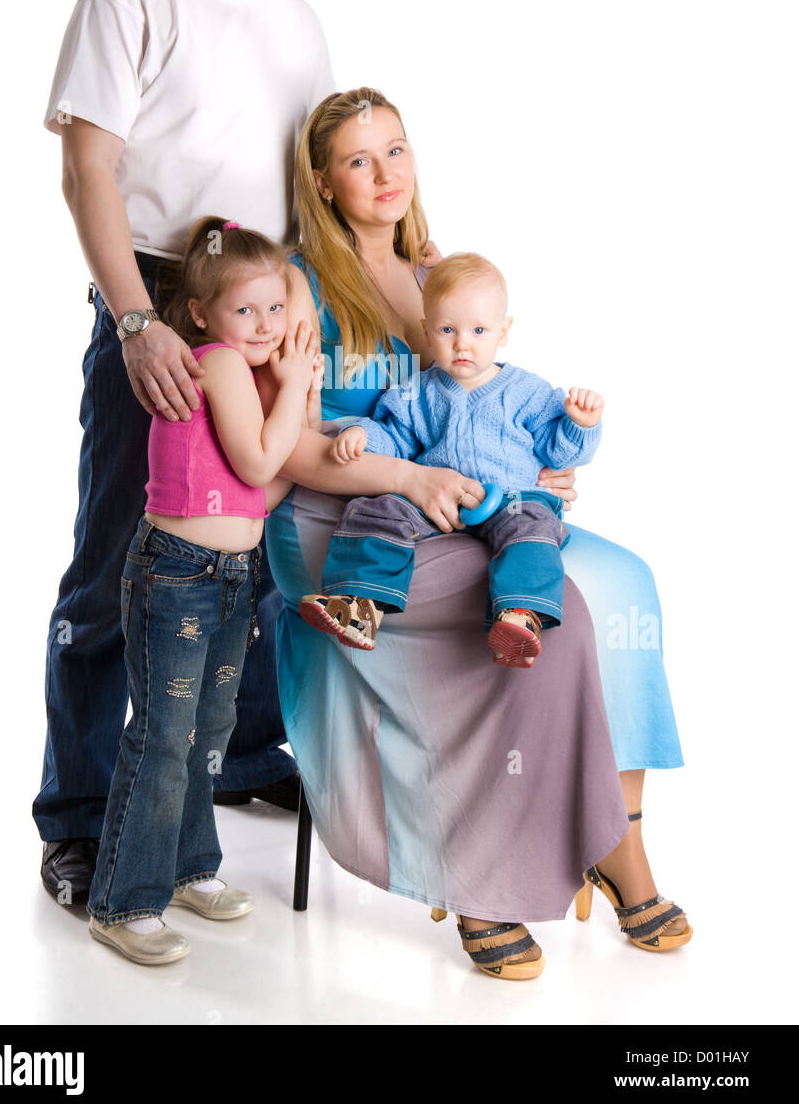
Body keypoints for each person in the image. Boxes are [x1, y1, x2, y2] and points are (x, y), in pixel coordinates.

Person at [262, 87, 692, 978]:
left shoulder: (434, 275)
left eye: (397, 150)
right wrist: (408, 476)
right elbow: (288, 451)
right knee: (548, 610)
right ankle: (482, 880)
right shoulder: (301, 284)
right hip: (347, 522)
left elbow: (483, 402)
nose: (384, 174)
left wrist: (542, 464)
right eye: (357, 159)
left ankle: (616, 838)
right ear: (322, 181)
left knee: (625, 586)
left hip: (459, 507)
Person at [35, 0, 335, 907]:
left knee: (248, 540)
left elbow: (299, 180)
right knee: (122, 555)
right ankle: (76, 816)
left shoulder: (296, 19)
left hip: (264, 300)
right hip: (160, 298)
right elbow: (89, 171)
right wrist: (134, 323)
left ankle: (243, 757)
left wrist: (300, 293)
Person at [88, 218, 318, 964]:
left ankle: (189, 867)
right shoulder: (216, 364)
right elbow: (259, 463)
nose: (264, 326)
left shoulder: (251, 382)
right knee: (162, 736)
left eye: (276, 309)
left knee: (208, 733)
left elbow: (270, 487)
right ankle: (123, 902)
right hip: (178, 574)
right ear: (200, 315)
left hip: (231, 577)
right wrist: (297, 386)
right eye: (245, 310)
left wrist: (296, 404)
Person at [299, 250, 604, 666]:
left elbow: (557, 451)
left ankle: (519, 616)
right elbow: (395, 436)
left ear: (504, 331)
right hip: (436, 503)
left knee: (534, 529)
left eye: (479, 330)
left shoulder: (528, 391)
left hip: (510, 500)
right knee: (379, 509)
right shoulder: (417, 391)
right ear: (427, 331)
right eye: (447, 330)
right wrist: (361, 435)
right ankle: (360, 606)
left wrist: (579, 424)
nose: (463, 343)